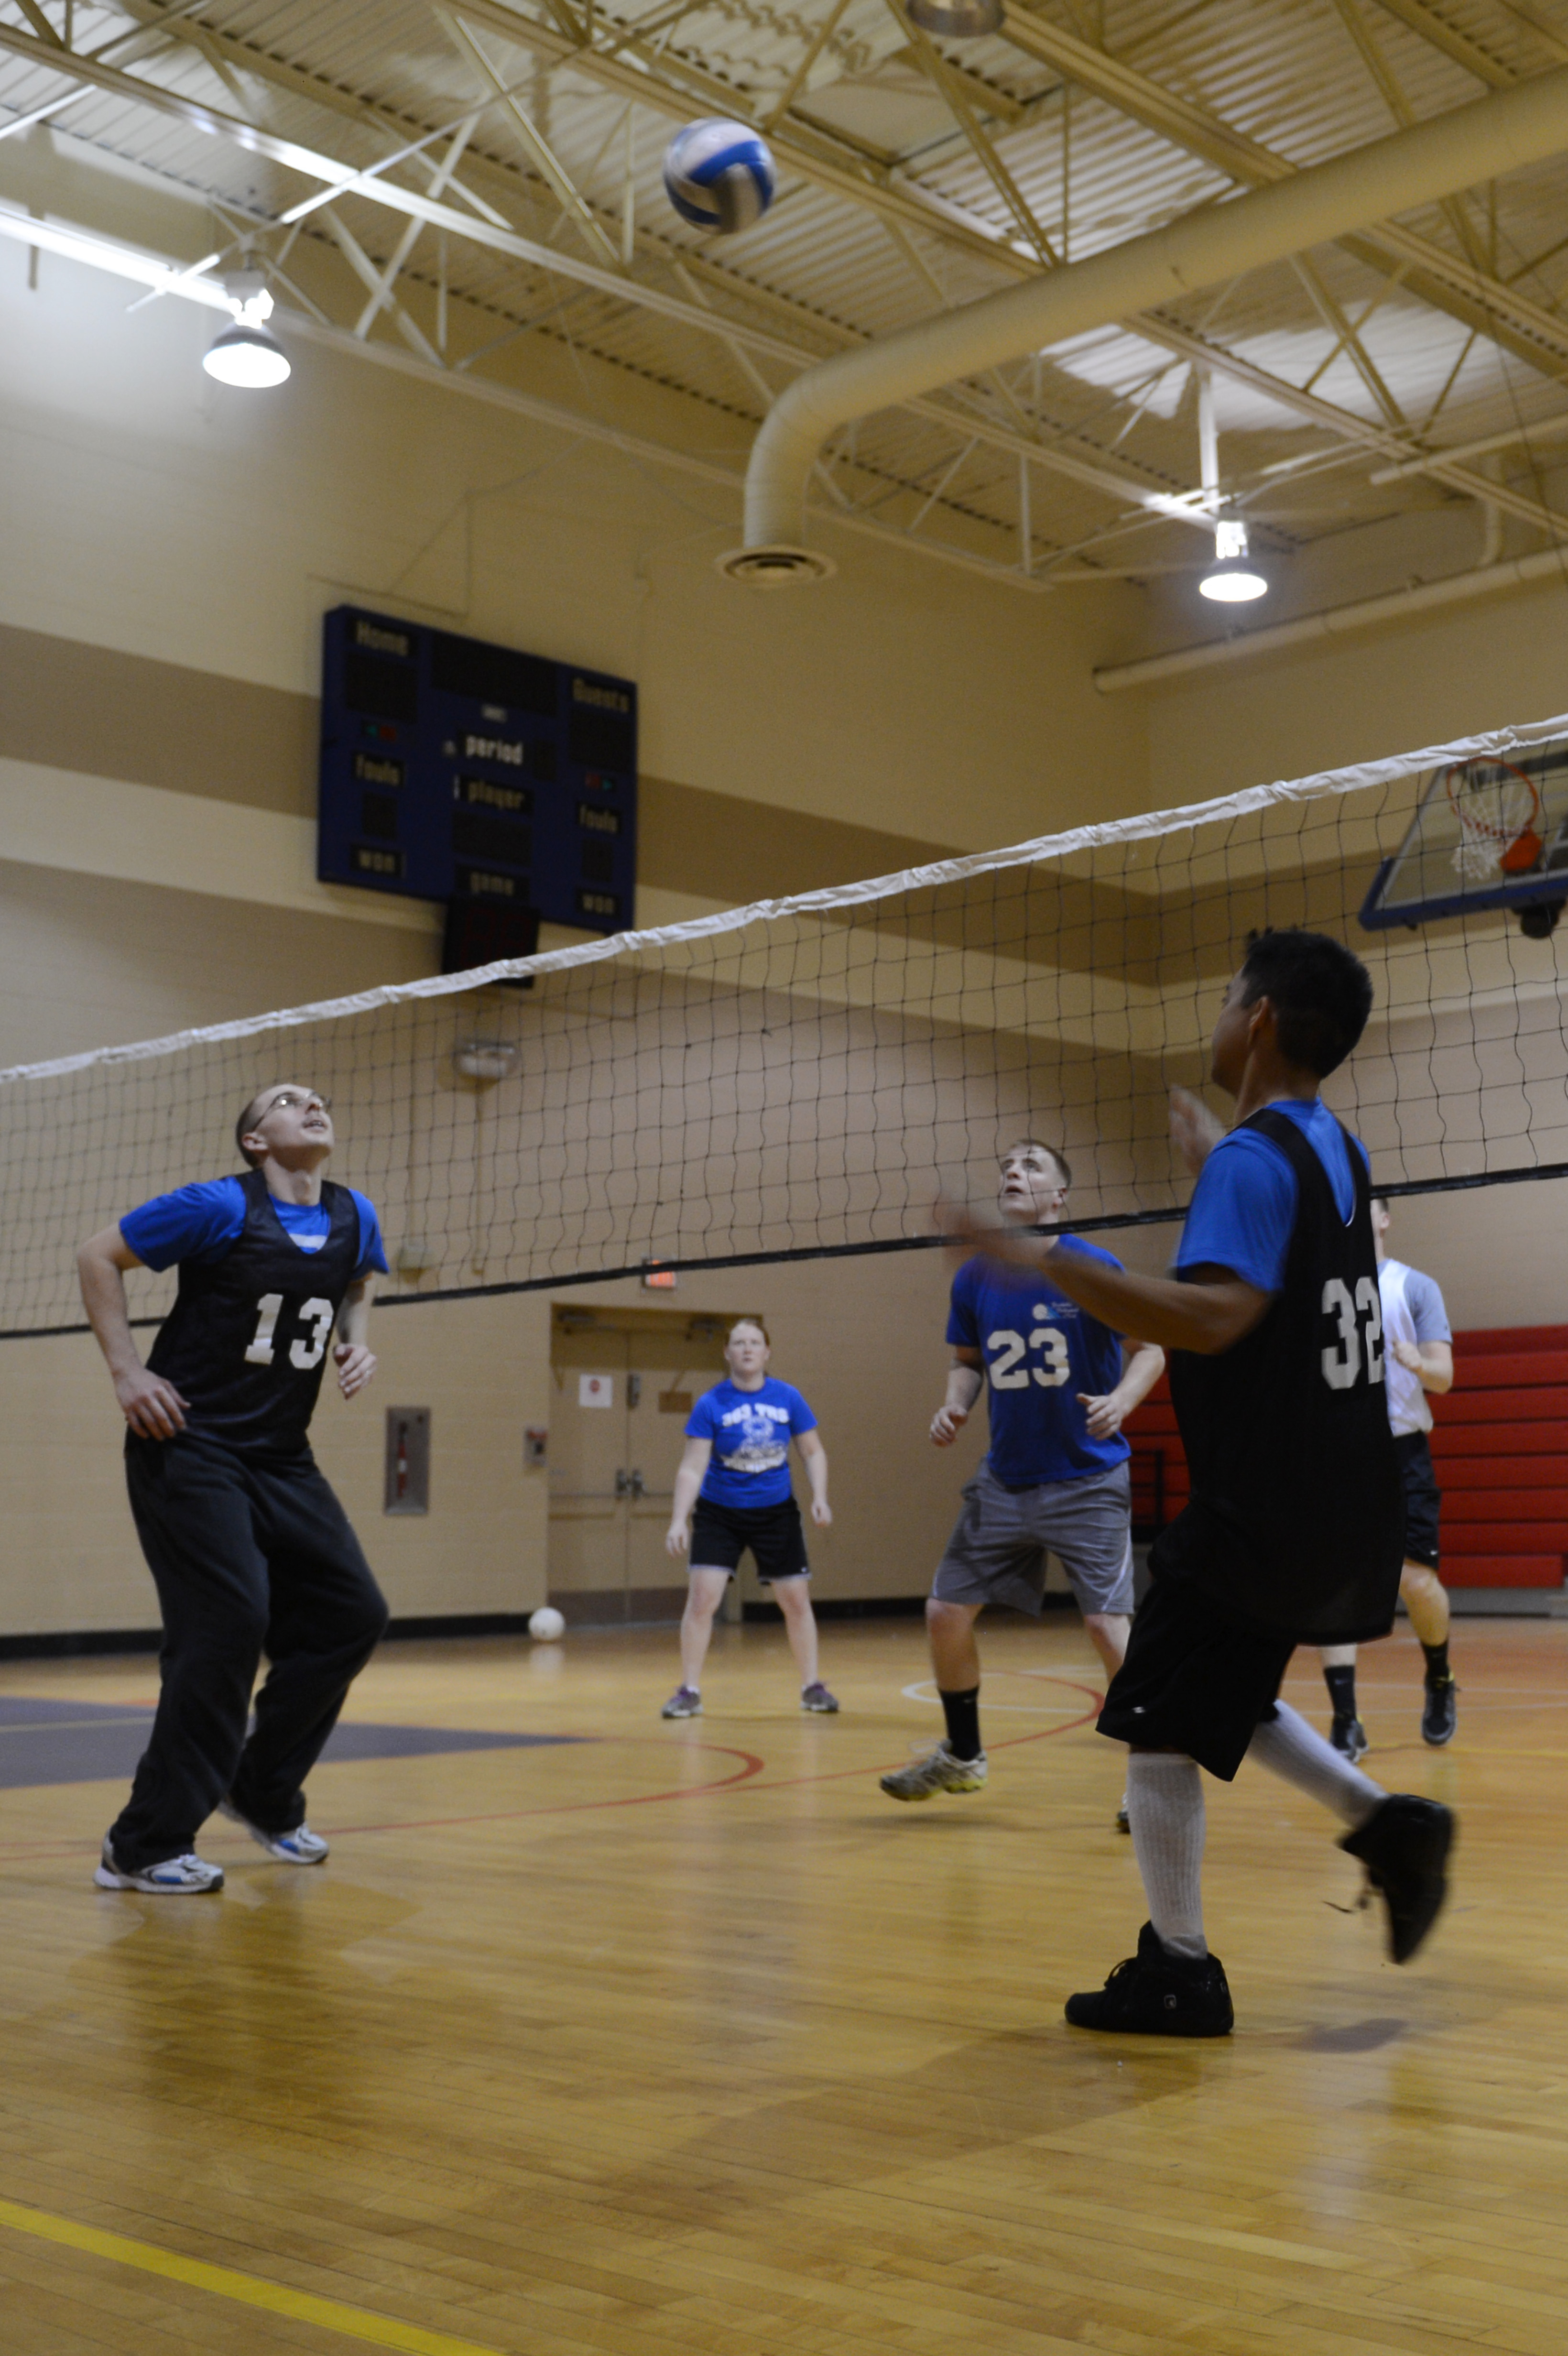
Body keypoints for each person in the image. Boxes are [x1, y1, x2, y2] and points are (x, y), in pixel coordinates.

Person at [944, 931, 1454, 2036]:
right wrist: (1218, 1155)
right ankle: (1383, 1825)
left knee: (1154, 1721)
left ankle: (1180, 1968)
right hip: (1341, 1485)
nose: (1217, 1016)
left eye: (1228, 998)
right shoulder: (1332, 1148)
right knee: (1196, 1691)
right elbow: (1285, 1231)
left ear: (1259, 1018)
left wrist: (1045, 1261)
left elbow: (1216, 1317)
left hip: (1261, 1498)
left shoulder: (1248, 1163)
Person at [78, 1084, 390, 1895]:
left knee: (353, 1613)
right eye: (288, 1101)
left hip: (283, 1454)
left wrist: (357, 1345)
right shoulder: (217, 1206)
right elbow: (96, 1254)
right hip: (189, 1445)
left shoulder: (358, 1214)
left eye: (321, 1097)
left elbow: (356, 1283)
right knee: (228, 1621)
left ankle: (260, 1785)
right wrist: (128, 1371)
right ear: (257, 1140)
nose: (314, 1103)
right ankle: (142, 1843)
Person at [880, 1140, 1164, 1818]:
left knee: (1106, 1629)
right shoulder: (976, 1276)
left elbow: (1151, 1347)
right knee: (945, 1614)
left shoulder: (1092, 1267)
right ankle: (963, 1754)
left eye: (1033, 1166)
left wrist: (1122, 1402)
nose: (1014, 1172)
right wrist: (956, 1402)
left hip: (1088, 1479)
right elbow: (969, 1360)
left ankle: (1151, 1781)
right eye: (1008, 1165)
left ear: (1059, 1197)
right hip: (1005, 1480)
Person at [1319, 1199, 1456, 1757]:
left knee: (1416, 1582)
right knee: (1336, 1587)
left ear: (1384, 1217)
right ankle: (1345, 1719)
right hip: (1337, 1453)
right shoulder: (1314, 1290)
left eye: (1361, 1201)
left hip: (1401, 1451)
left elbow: (1444, 1377)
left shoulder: (1414, 1286)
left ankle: (1440, 1678)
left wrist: (1417, 1363)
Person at [662, 1319, 837, 1718]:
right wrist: (678, 1519)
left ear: (767, 1352)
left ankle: (812, 1686)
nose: (746, 1349)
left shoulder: (788, 1398)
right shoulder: (711, 1404)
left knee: (795, 1600)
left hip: (775, 1512)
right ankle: (689, 1690)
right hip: (719, 1513)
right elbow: (692, 1467)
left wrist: (820, 1497)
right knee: (703, 1599)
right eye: (739, 1343)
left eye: (754, 1343)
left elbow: (813, 1452)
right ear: (727, 1353)